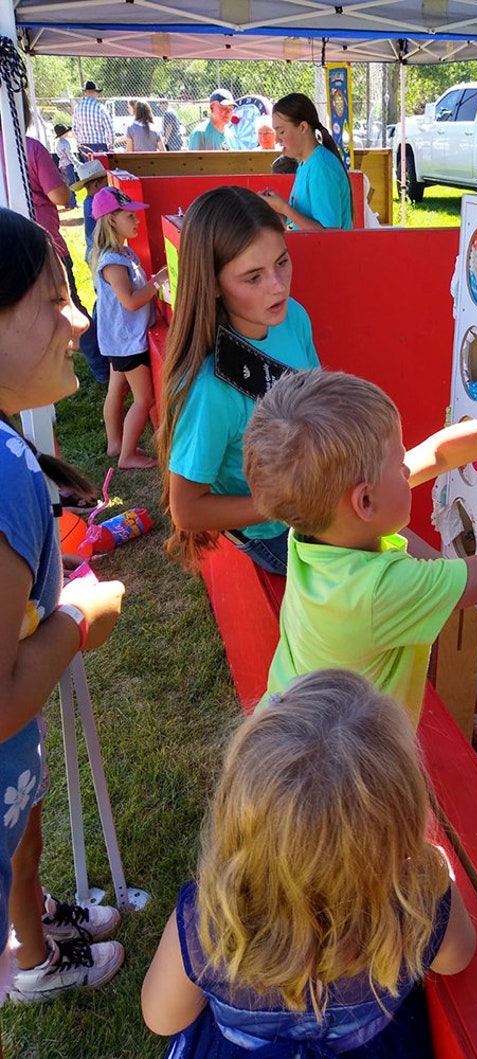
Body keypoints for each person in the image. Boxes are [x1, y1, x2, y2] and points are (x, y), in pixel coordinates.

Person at [243, 371, 477, 760]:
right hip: (338, 769)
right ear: (364, 503)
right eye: (399, 464)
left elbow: (438, 453)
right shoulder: (380, 592)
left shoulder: (315, 529)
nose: (409, 468)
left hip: (288, 724)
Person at [141, 668, 476, 1057]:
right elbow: (458, 958)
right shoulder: (416, 899)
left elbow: (161, 1018)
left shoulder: (210, 919)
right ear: (401, 818)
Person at [0, 207, 126, 1010]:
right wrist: (78, 617)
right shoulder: (6, 476)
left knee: (27, 841)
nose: (78, 320)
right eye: (52, 301)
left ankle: (35, 938)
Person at [157, 186, 319, 576]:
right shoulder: (208, 388)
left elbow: (318, 399)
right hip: (273, 529)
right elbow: (187, 510)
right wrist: (287, 503)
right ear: (211, 283)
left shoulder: (293, 316)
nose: (278, 286)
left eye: (282, 262)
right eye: (253, 277)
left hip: (317, 488)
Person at [23, 93, 107, 386]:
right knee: (69, 306)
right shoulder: (30, 149)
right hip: (43, 244)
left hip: (15, 244)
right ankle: (101, 368)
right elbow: (59, 195)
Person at [90, 186, 167, 469]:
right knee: (144, 397)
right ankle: (127, 455)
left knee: (117, 388)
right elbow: (131, 301)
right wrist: (158, 281)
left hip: (117, 340)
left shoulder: (124, 253)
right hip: (126, 341)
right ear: (111, 220)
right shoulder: (113, 261)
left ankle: (115, 445)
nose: (136, 221)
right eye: (129, 216)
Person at [263, 93, 353, 230]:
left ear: (303, 127)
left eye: (281, 132)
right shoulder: (305, 165)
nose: (277, 140)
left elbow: (330, 236)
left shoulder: (322, 168)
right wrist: (270, 209)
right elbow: (296, 226)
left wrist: (284, 208)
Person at [71, 80, 113, 158]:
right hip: (99, 145)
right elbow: (109, 129)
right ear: (95, 92)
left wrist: (80, 141)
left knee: (88, 168)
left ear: (86, 92)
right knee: (101, 169)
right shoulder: (101, 108)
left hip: (84, 145)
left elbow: (74, 129)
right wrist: (110, 144)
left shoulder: (77, 108)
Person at [52, 123, 77, 208]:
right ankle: (72, 203)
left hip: (62, 165)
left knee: (66, 183)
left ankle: (67, 203)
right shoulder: (65, 143)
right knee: (71, 184)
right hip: (67, 164)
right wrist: (77, 163)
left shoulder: (58, 143)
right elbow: (70, 155)